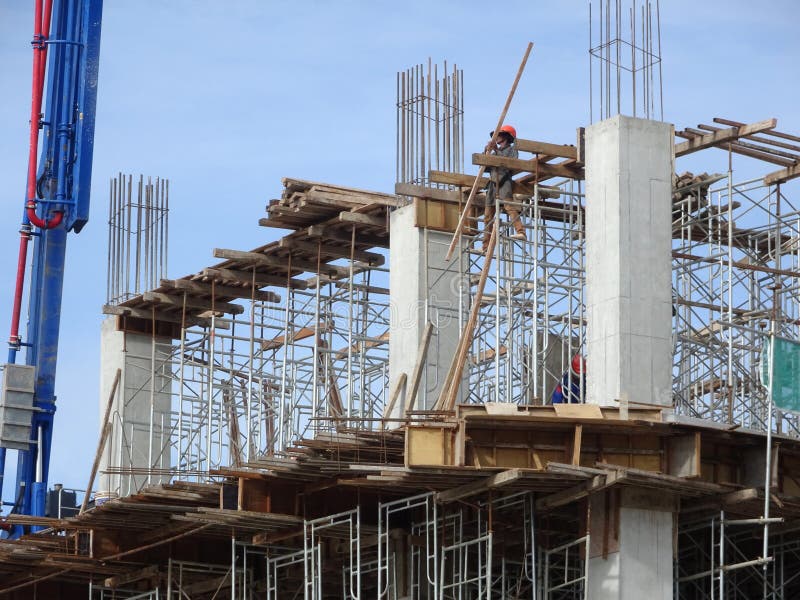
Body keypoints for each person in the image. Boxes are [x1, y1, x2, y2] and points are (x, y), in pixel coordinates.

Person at [483, 124, 525, 250]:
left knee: (509, 207)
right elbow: (484, 167)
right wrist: (486, 152)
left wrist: (496, 151)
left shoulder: (512, 150)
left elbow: (511, 162)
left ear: (506, 136)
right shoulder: (495, 152)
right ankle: (486, 246)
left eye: (499, 135)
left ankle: (521, 232)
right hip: (492, 184)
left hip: (504, 182)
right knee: (487, 216)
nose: (497, 138)